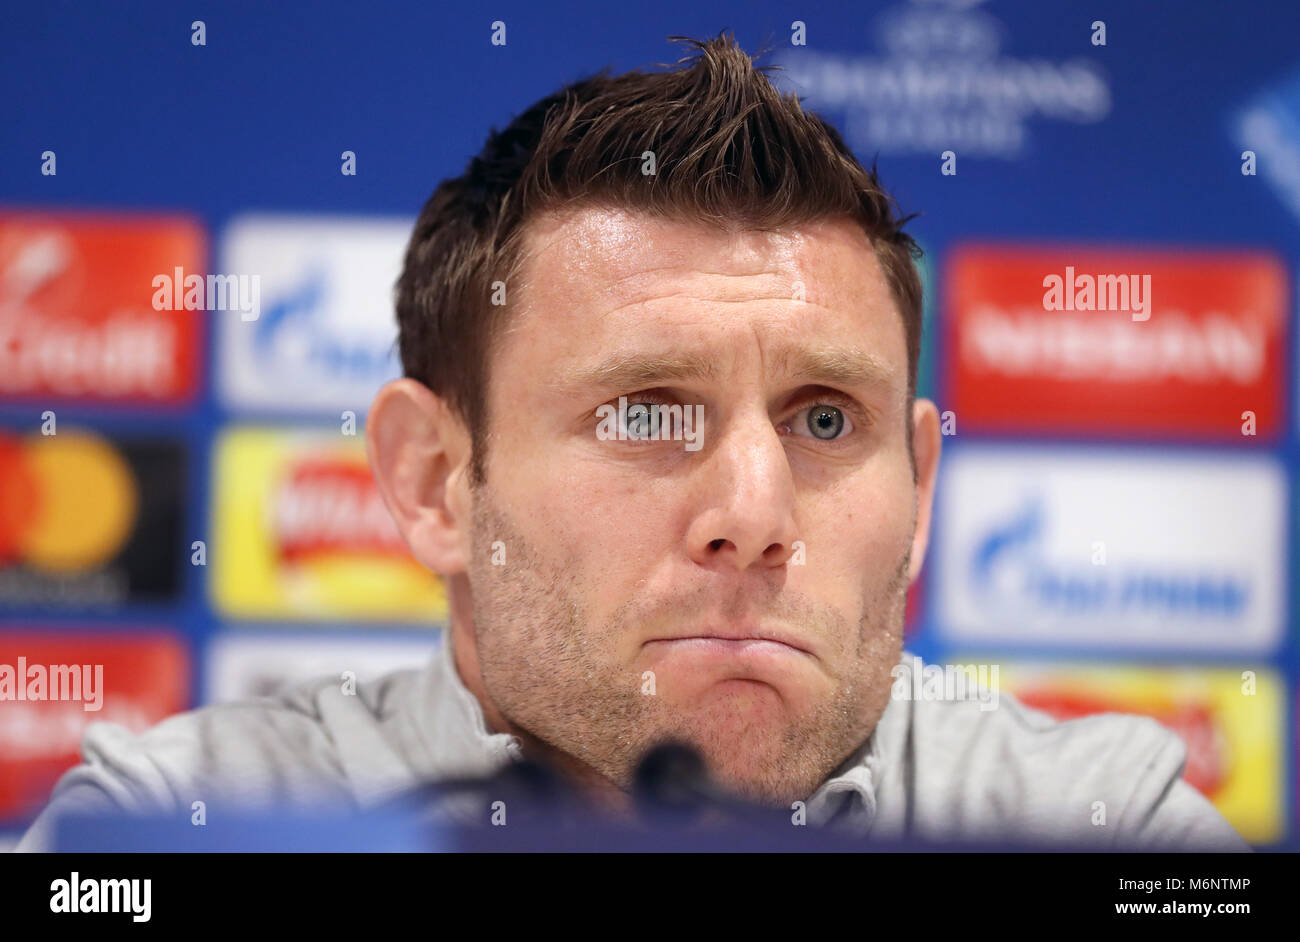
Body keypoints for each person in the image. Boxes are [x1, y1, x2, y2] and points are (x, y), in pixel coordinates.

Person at [16, 32, 1246, 852]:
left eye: (826, 418)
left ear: (918, 489)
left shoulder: (1105, 828)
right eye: (646, 412)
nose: (755, 511)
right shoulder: (173, 826)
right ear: (436, 482)